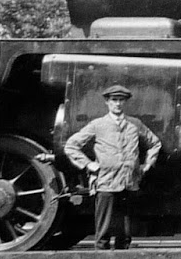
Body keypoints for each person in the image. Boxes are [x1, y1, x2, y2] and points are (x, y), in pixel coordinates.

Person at [63, 85, 161, 250]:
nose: (118, 104)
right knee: (104, 229)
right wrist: (88, 164)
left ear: (125, 103)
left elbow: (155, 143)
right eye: (114, 100)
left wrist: (147, 165)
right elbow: (71, 145)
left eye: (121, 100)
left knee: (125, 230)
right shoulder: (98, 125)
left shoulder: (135, 124)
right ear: (107, 102)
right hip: (106, 181)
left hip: (129, 181)